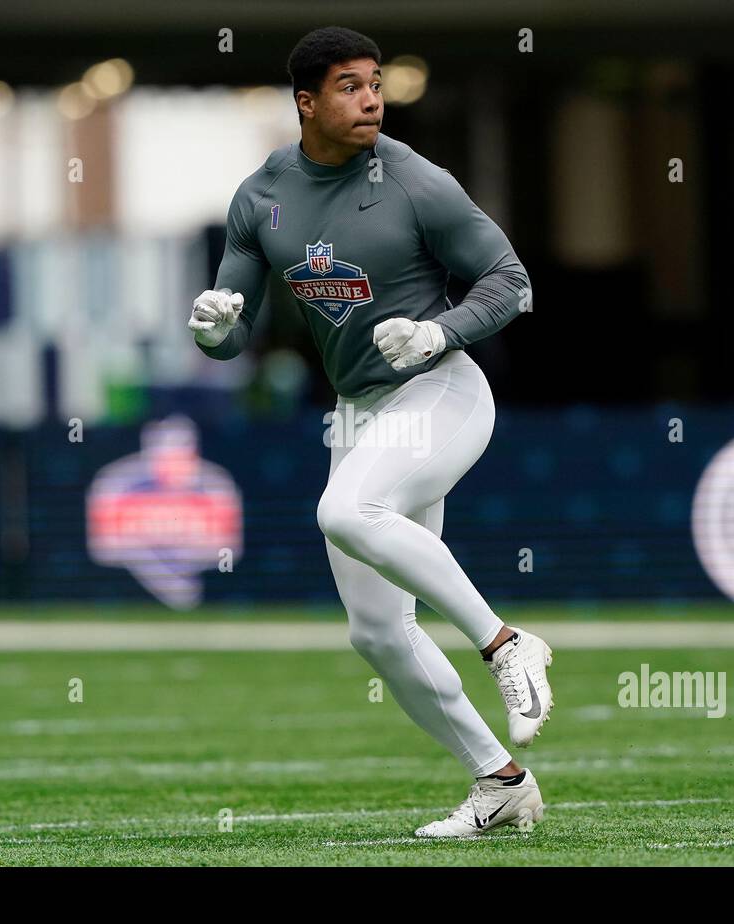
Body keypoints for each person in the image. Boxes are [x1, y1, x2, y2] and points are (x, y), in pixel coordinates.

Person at [188, 26, 553, 838]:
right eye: (350, 86)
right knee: (379, 633)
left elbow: (511, 280)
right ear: (306, 102)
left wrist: (439, 333)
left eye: (377, 82)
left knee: (345, 512)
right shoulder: (261, 196)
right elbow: (231, 328)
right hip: (359, 414)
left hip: (441, 391)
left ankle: (506, 644)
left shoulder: (415, 179)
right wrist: (212, 328)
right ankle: (499, 780)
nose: (372, 99)